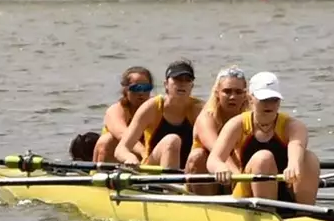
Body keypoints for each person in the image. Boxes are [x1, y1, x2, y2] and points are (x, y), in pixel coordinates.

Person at [207, 71, 319, 205]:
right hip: (247, 195)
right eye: (264, 100)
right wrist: (220, 167)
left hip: (285, 190)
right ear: (250, 98)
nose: (269, 105)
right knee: (263, 158)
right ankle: (266, 211)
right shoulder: (237, 125)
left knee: (309, 158)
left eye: (274, 100)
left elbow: (297, 146)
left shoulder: (293, 126)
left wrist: (294, 164)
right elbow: (214, 159)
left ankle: (305, 210)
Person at [117, 60, 199, 168]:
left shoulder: (199, 109)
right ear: (166, 84)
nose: (182, 84)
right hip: (153, 169)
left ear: (192, 86)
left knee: (199, 153)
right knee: (172, 140)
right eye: (177, 79)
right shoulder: (152, 107)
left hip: (188, 171)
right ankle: (169, 178)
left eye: (187, 80)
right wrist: (130, 157)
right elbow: (121, 149)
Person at [185, 66, 250, 194]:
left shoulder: (250, 116)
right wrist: (240, 179)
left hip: (235, 176)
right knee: (198, 156)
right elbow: (217, 151)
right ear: (217, 93)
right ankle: (205, 201)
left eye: (238, 92)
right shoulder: (207, 118)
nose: (232, 97)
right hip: (209, 176)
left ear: (245, 95)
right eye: (227, 91)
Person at [96, 65, 154, 165]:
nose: (141, 92)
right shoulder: (115, 110)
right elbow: (124, 135)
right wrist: (144, 153)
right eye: (136, 88)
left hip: (146, 158)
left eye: (146, 88)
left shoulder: (156, 107)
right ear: (125, 89)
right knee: (107, 140)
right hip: (121, 157)